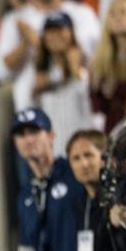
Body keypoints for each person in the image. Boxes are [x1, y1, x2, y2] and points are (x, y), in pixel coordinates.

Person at [13, 109, 94, 251]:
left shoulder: (75, 175)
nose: (28, 139)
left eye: (34, 131)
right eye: (21, 134)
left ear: (51, 136)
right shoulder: (25, 194)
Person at [14, 12, 95, 153]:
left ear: (71, 33)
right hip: (53, 150)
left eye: (60, 29)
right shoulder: (35, 70)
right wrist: (35, 92)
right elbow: (23, 112)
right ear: (43, 37)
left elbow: (93, 104)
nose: (55, 35)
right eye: (50, 31)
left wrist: (77, 71)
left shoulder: (86, 63)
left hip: (85, 146)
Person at [91, 0, 126, 129]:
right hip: (113, 127)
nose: (117, 18)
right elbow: (97, 107)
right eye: (112, 14)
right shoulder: (101, 60)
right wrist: (100, 90)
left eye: (123, 13)